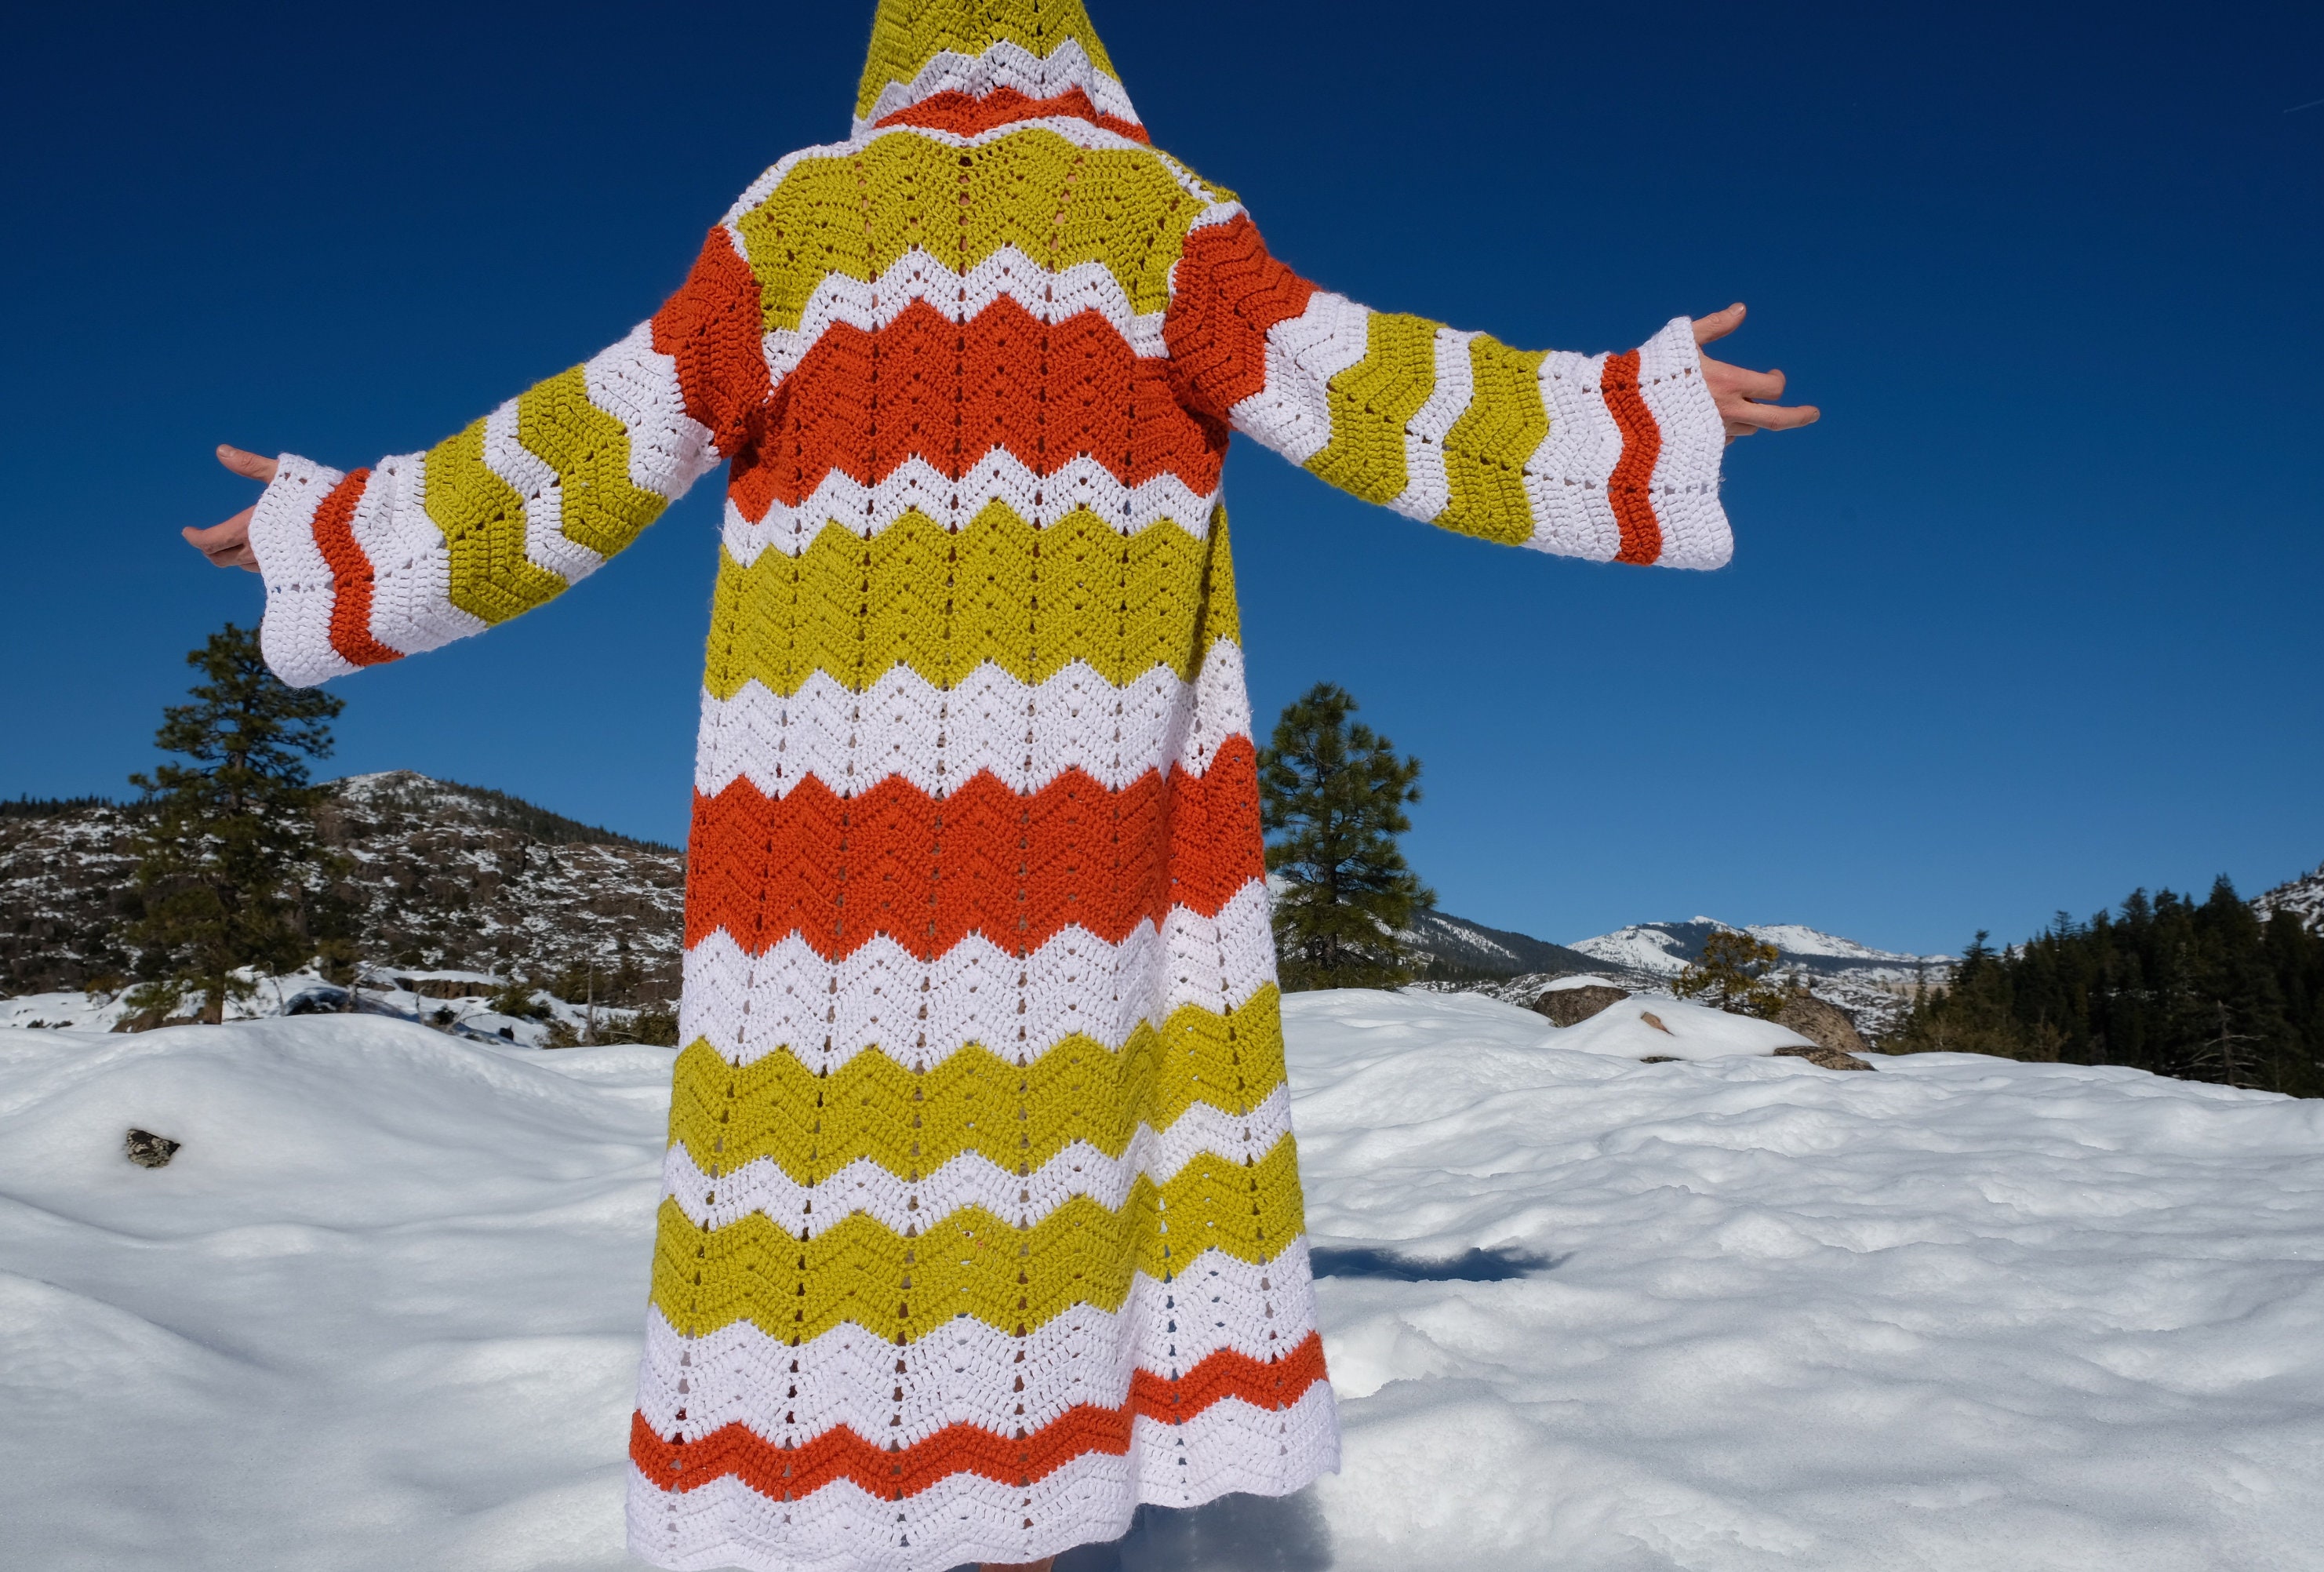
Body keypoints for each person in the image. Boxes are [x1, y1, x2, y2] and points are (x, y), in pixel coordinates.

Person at [183, 4, 1816, 1568]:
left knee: (829, 1230)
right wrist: (1630, 421)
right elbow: (1379, 391)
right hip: (1082, 846)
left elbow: (574, 457)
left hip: (825, 861)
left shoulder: (793, 228)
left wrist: (334, 540)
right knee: (1046, 1207)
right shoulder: (1153, 220)